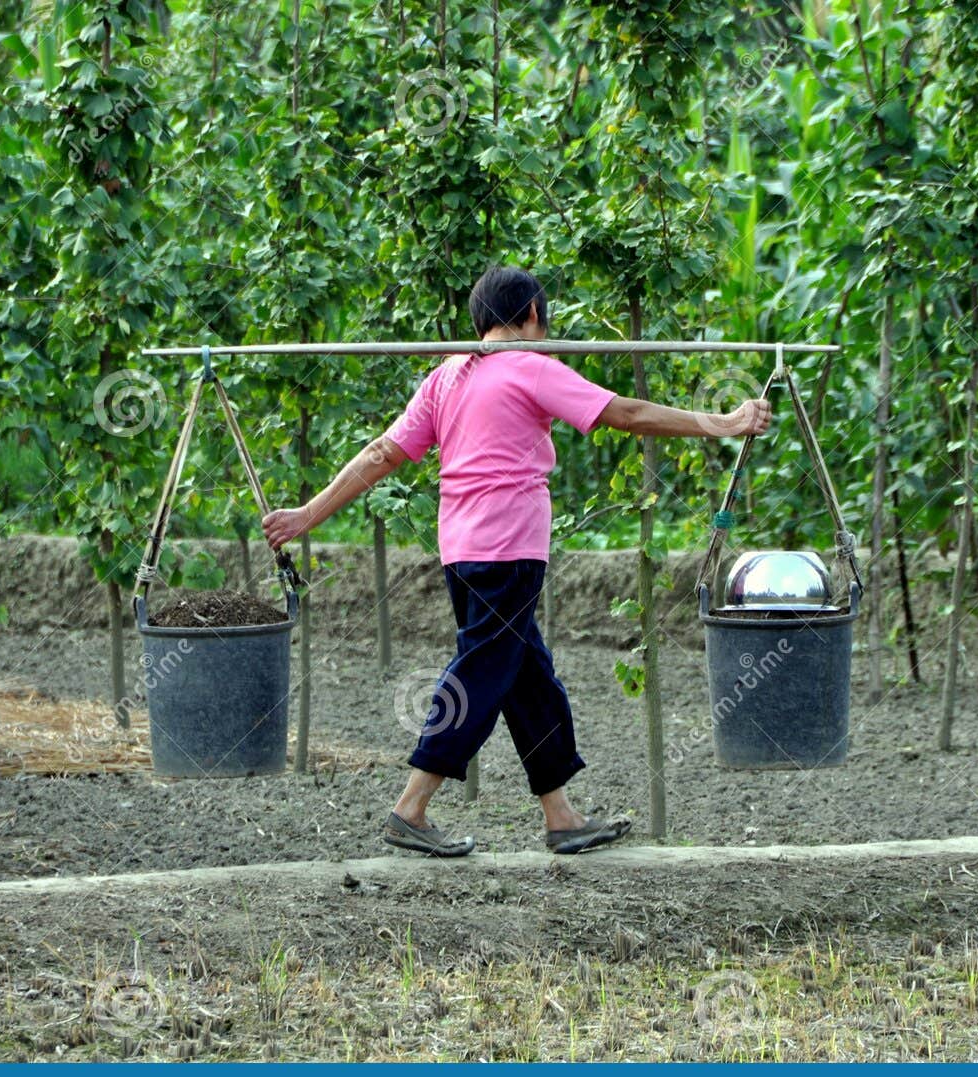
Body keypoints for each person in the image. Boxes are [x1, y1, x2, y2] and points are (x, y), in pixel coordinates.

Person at [263, 266, 771, 856]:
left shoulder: (445, 376)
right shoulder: (531, 368)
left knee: (531, 682)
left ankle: (560, 817)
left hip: (464, 554)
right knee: (479, 675)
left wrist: (308, 514)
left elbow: (381, 453)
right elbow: (625, 415)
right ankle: (411, 807)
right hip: (508, 553)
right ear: (531, 314)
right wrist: (724, 423)